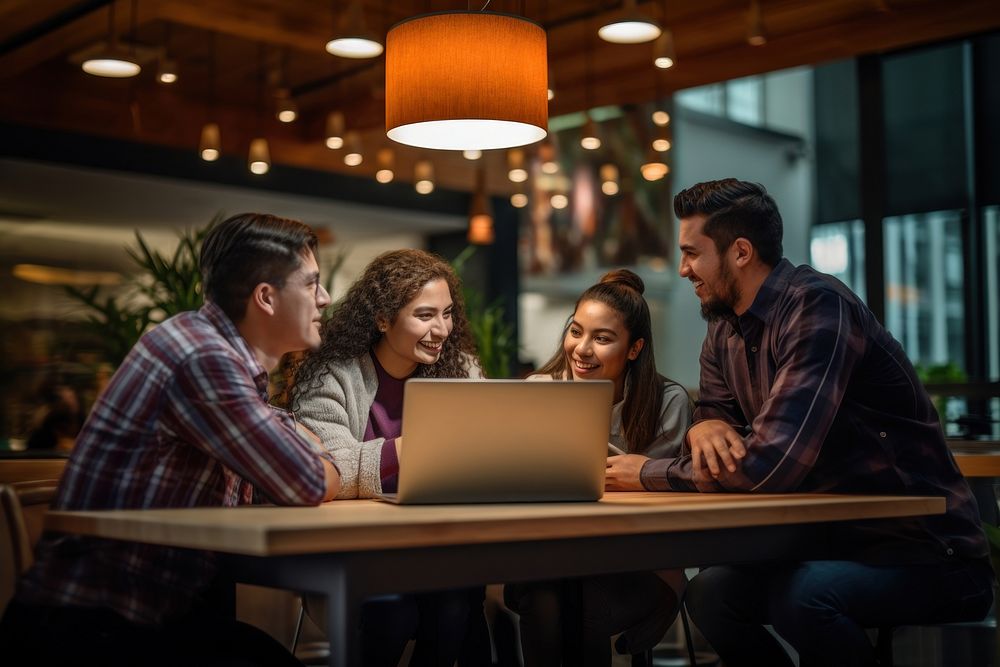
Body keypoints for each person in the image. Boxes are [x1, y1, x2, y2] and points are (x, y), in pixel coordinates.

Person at [610, 179, 994, 667]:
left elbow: (768, 466)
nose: (684, 269)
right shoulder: (723, 326)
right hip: (828, 541)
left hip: (925, 550)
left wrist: (645, 473)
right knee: (709, 594)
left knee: (806, 597)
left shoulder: (817, 307)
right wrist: (700, 426)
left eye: (692, 253)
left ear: (741, 252)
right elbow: (716, 418)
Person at [0, 213, 341, 666]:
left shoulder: (206, 346)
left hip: (143, 613)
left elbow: (277, 467)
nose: (325, 297)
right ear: (266, 297)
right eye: (312, 284)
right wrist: (329, 462)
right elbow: (306, 482)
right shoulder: (203, 357)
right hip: (91, 630)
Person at [291, 248, 486, 666]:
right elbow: (326, 470)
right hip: (357, 556)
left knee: (457, 603)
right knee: (395, 614)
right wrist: (406, 449)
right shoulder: (332, 375)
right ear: (383, 319)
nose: (442, 330)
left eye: (447, 314)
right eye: (425, 315)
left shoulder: (462, 371)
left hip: (436, 552)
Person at [504, 269, 692, 666]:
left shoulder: (666, 401)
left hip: (636, 562)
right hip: (551, 556)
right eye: (576, 331)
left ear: (635, 348)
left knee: (567, 599)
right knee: (548, 592)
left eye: (602, 338)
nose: (581, 349)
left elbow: (664, 498)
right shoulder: (541, 390)